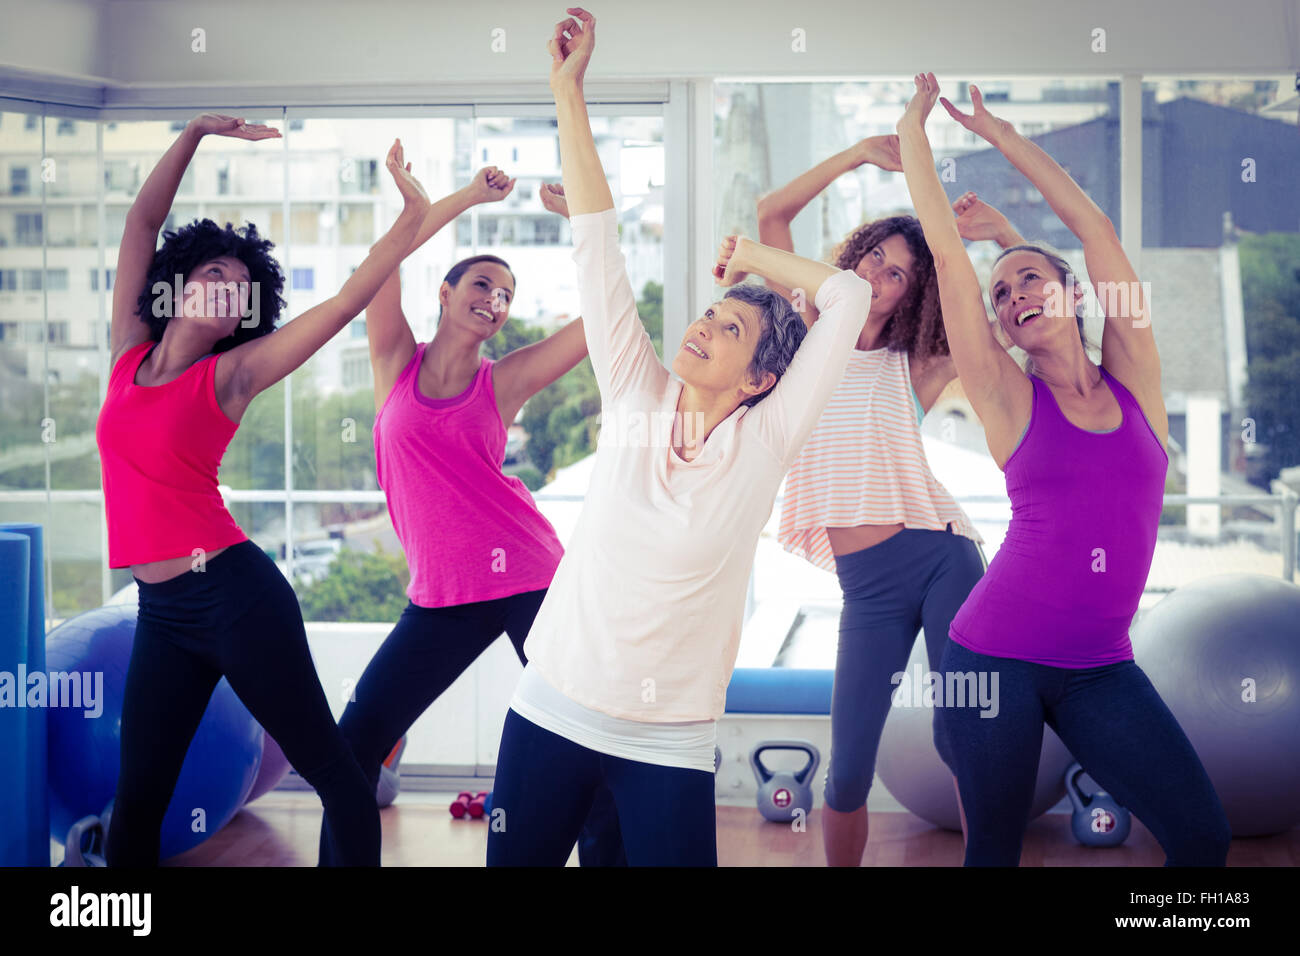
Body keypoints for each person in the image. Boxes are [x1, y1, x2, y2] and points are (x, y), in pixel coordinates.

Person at [485, 8, 874, 867]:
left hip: (668, 737)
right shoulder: (636, 389)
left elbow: (848, 297)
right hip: (553, 706)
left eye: (729, 332)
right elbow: (597, 241)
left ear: (761, 379)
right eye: (708, 312)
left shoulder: (766, 440)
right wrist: (566, 88)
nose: (702, 329)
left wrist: (754, 260)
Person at [896, 73, 1231, 866]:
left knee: (1203, 838)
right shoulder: (1009, 399)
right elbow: (947, 250)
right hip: (990, 658)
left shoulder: (1135, 379)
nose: (1013, 296)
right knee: (995, 855)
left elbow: (1096, 228)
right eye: (1001, 293)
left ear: (1072, 293)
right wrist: (915, 126)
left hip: (1100, 668)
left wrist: (1001, 137)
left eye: (1030, 279)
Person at [98, 113, 430, 866]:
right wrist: (195, 133)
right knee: (138, 797)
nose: (224, 289)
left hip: (236, 598)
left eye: (240, 290)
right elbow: (142, 221)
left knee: (335, 774)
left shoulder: (233, 375)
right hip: (162, 610)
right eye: (215, 273)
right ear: (181, 280)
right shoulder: (127, 350)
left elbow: (344, 303)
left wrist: (411, 220)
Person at [317, 165, 626, 866]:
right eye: (482, 284)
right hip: (442, 596)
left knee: (582, 736)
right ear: (447, 293)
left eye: (507, 294)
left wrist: (580, 221)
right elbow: (381, 261)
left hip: (526, 575)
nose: (495, 299)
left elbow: (606, 318)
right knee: (355, 742)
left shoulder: (504, 380)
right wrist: (465, 200)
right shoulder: (394, 358)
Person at [759, 139, 1026, 866]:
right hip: (866, 590)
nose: (881, 273)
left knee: (960, 731)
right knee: (846, 769)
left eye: (900, 272)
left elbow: (1008, 317)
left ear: (915, 292)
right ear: (853, 259)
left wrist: (1003, 236)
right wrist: (854, 156)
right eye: (875, 255)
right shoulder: (801, 335)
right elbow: (770, 214)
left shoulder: (920, 363)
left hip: (942, 558)